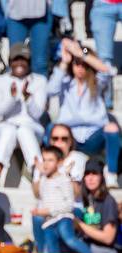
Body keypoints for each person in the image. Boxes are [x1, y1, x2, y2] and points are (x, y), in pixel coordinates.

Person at [47, 38, 120, 185]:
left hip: (93, 137)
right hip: (69, 137)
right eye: (77, 63)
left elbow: (109, 70)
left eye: (84, 64)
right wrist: (64, 61)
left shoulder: (97, 82)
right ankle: (51, 169)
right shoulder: (66, 82)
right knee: (51, 129)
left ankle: (111, 173)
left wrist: (82, 54)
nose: (80, 67)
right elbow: (50, 90)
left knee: (112, 128)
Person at [0, 43, 49, 179]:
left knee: (23, 130)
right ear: (10, 61)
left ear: (29, 62)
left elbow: (37, 114)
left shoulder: (40, 81)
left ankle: (37, 171)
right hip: (5, 125)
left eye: (23, 59)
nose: (20, 63)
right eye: (16, 59)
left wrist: (28, 98)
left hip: (32, 127)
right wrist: (12, 99)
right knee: (9, 130)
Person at [32, 144, 85, 253]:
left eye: (50, 160)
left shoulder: (63, 179)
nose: (45, 164)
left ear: (59, 162)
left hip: (63, 217)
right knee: (52, 250)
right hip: (49, 221)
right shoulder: (44, 180)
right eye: (44, 160)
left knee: (70, 240)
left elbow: (69, 205)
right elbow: (40, 196)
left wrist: (48, 211)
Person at [72, 158, 119, 253]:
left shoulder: (108, 201)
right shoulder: (84, 199)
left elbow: (108, 238)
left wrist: (80, 225)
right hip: (86, 244)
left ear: (102, 177)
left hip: (104, 250)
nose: (90, 178)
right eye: (87, 174)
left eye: (94, 174)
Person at [2, 0, 53, 79]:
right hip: (14, 13)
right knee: (15, 60)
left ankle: (38, 90)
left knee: (40, 63)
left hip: (42, 13)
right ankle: (14, 90)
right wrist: (5, 8)